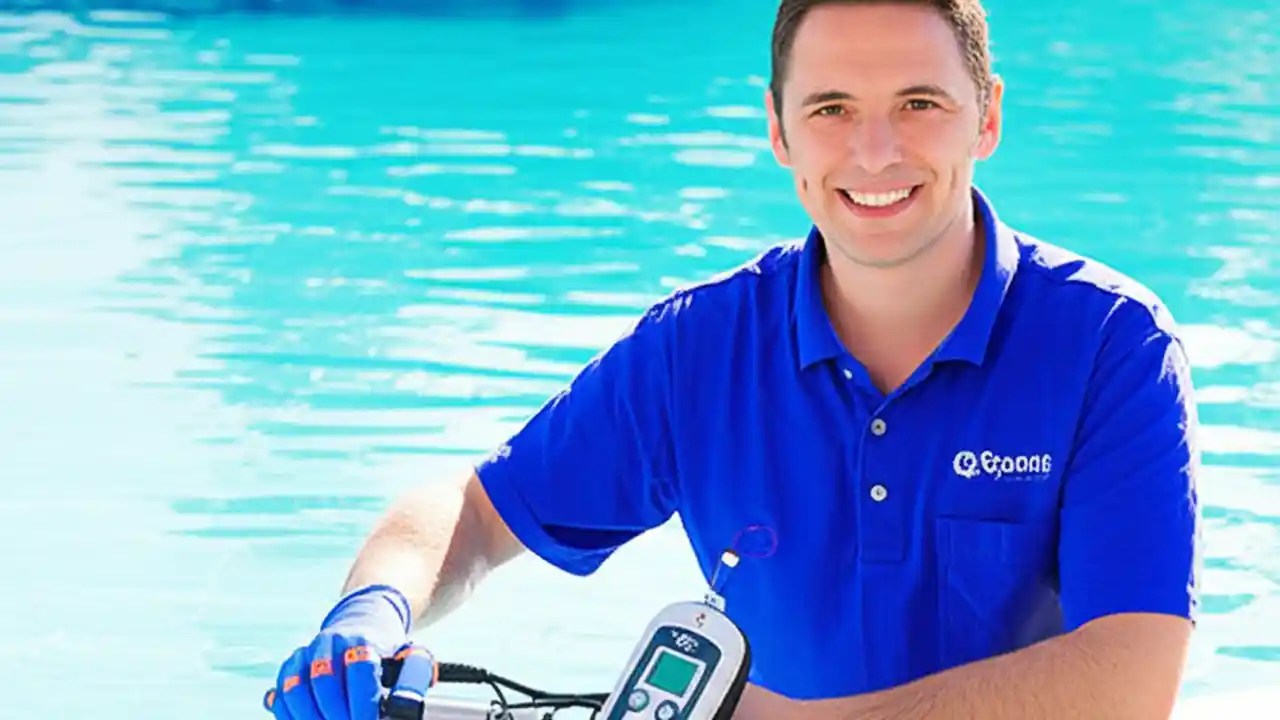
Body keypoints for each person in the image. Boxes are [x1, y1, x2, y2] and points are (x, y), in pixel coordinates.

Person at [265, 1, 1202, 718]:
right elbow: (471, 513)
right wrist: (372, 610)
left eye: (919, 103)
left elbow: (1130, 675)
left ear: (986, 118)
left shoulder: (1112, 346)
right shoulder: (697, 351)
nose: (874, 151)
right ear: (779, 129)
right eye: (832, 108)